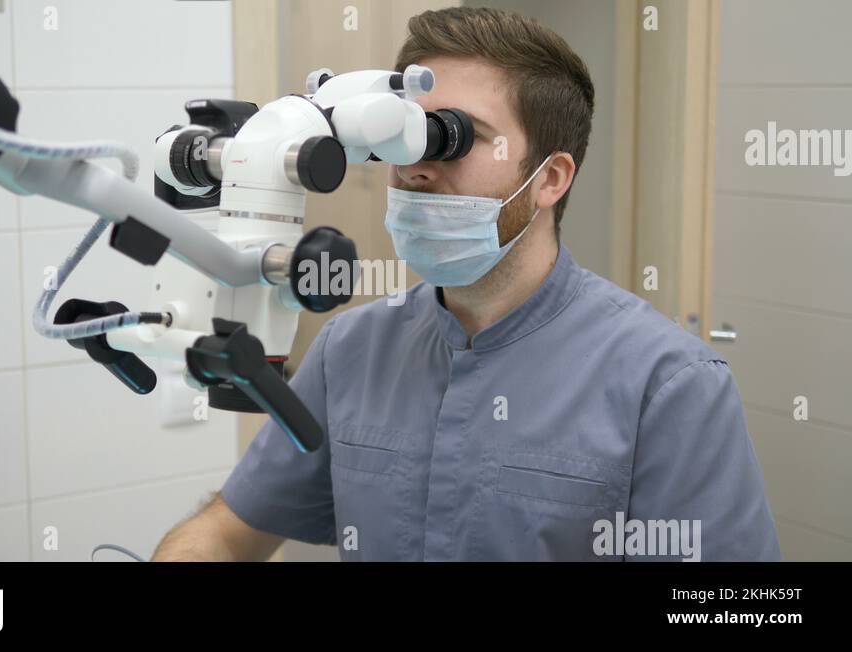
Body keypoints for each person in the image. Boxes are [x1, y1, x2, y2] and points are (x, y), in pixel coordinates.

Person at [152, 6, 781, 562]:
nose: (416, 164)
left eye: (453, 136)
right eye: (403, 132)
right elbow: (229, 529)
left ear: (549, 178)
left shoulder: (668, 384)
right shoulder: (352, 349)